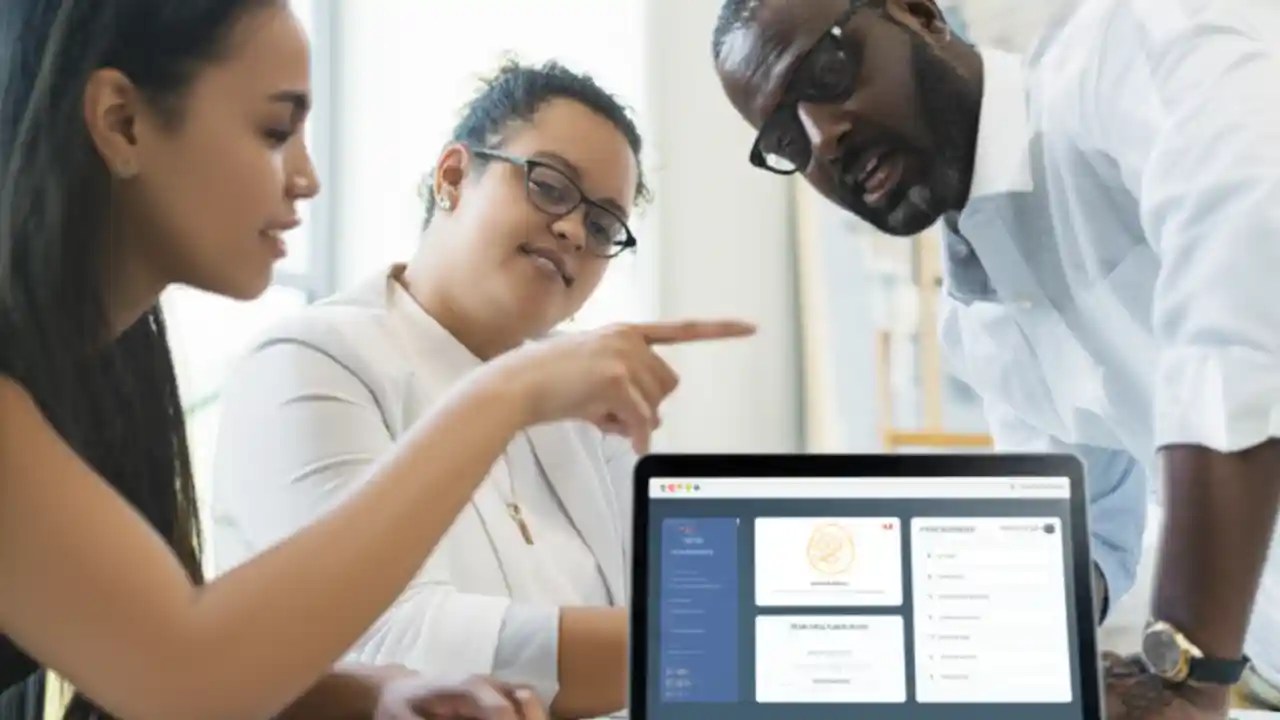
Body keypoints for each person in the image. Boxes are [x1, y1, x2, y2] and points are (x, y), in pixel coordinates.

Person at [0, 0, 751, 717]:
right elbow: (189, 671)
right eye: (272, 131)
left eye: (603, 224)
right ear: (122, 123)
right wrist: (507, 394)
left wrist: (371, 698)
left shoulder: (107, 380)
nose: (306, 178)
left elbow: (153, 659)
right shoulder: (315, 357)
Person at [710, 0, 1280, 717]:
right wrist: (989, 649)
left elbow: (1241, 331)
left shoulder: (1130, 49)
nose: (824, 140)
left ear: (919, 14)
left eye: (825, 72)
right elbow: (1085, 533)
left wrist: (1188, 674)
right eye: (787, 137)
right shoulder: (979, 314)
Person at [209, 59, 703, 720]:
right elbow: (381, 639)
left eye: (605, 225)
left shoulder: (586, 410)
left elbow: (668, 598)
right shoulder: (310, 360)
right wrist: (715, 640)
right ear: (452, 177)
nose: (573, 232)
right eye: (551, 186)